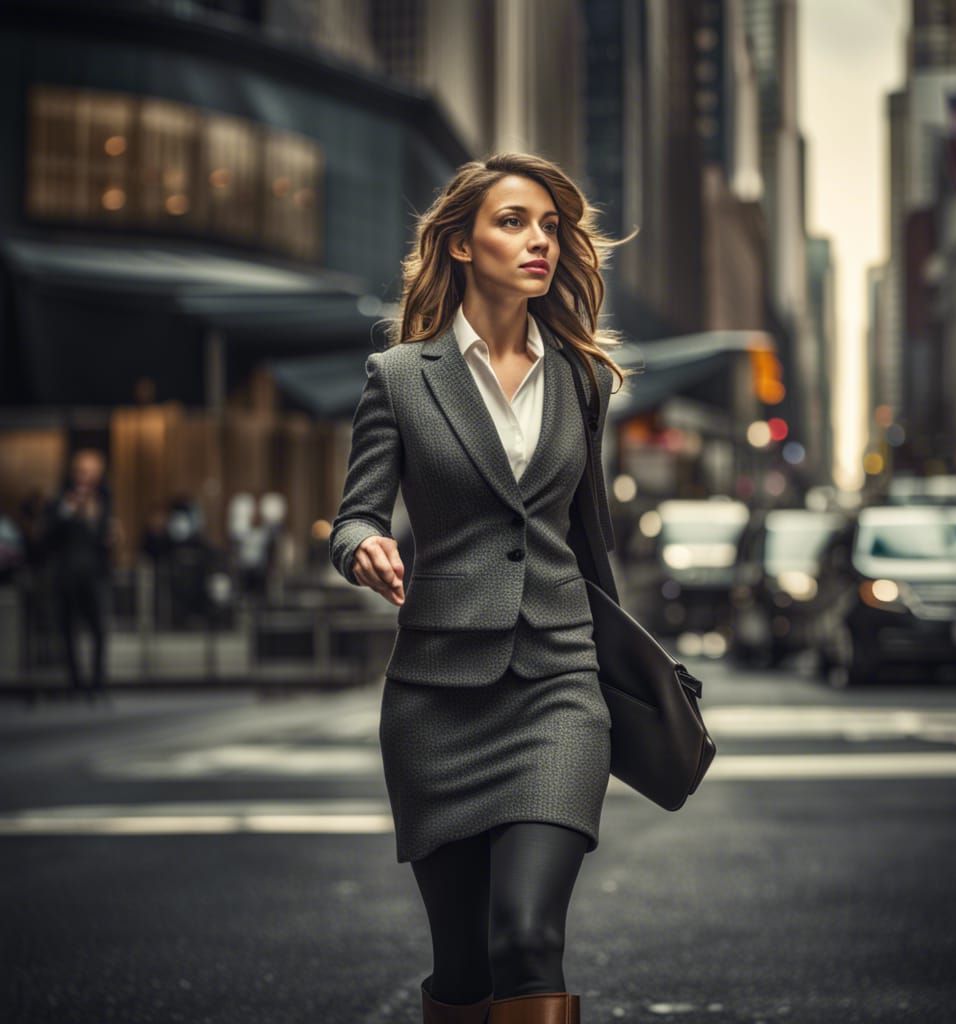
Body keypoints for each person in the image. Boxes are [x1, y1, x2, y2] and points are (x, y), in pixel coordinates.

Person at [330, 153, 634, 1023]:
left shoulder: (579, 378)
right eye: (513, 223)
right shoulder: (400, 376)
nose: (539, 240)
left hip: (559, 687)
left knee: (528, 936)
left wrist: (630, 674)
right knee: (463, 969)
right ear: (460, 245)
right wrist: (365, 548)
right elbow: (354, 516)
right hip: (437, 697)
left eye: (549, 226)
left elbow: (591, 540)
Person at [43, 448, 114, 698]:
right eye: (84, 472)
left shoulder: (103, 500)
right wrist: (69, 510)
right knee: (68, 631)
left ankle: (97, 683)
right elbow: (47, 537)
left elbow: (104, 538)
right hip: (66, 576)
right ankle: (76, 683)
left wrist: (94, 517)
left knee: (99, 630)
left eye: (93, 473)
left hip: (94, 576)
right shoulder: (60, 500)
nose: (87, 478)